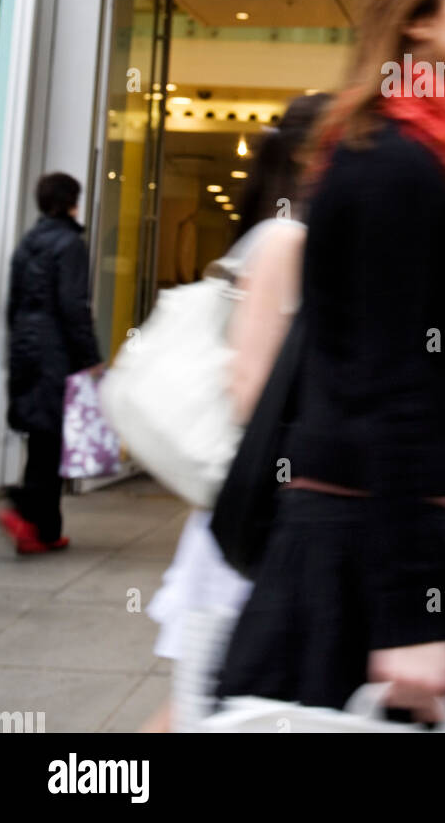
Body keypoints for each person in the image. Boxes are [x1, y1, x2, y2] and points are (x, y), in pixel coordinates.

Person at [216, 0, 445, 726]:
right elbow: (382, 382)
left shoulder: (427, 151)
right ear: (417, 26)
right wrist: (410, 618)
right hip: (360, 534)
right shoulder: (397, 160)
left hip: (388, 516)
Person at [141, 94, 331, 733]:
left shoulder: (290, 234)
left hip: (260, 511)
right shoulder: (288, 239)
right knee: (204, 706)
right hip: (261, 515)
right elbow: (251, 386)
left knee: (210, 704)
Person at [0, 173, 102, 554]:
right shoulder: (69, 244)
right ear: (71, 201)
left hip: (26, 351)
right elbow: (74, 307)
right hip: (54, 353)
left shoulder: (28, 243)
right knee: (52, 441)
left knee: (41, 439)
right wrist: (90, 359)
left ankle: (43, 531)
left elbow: (13, 306)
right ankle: (24, 508)